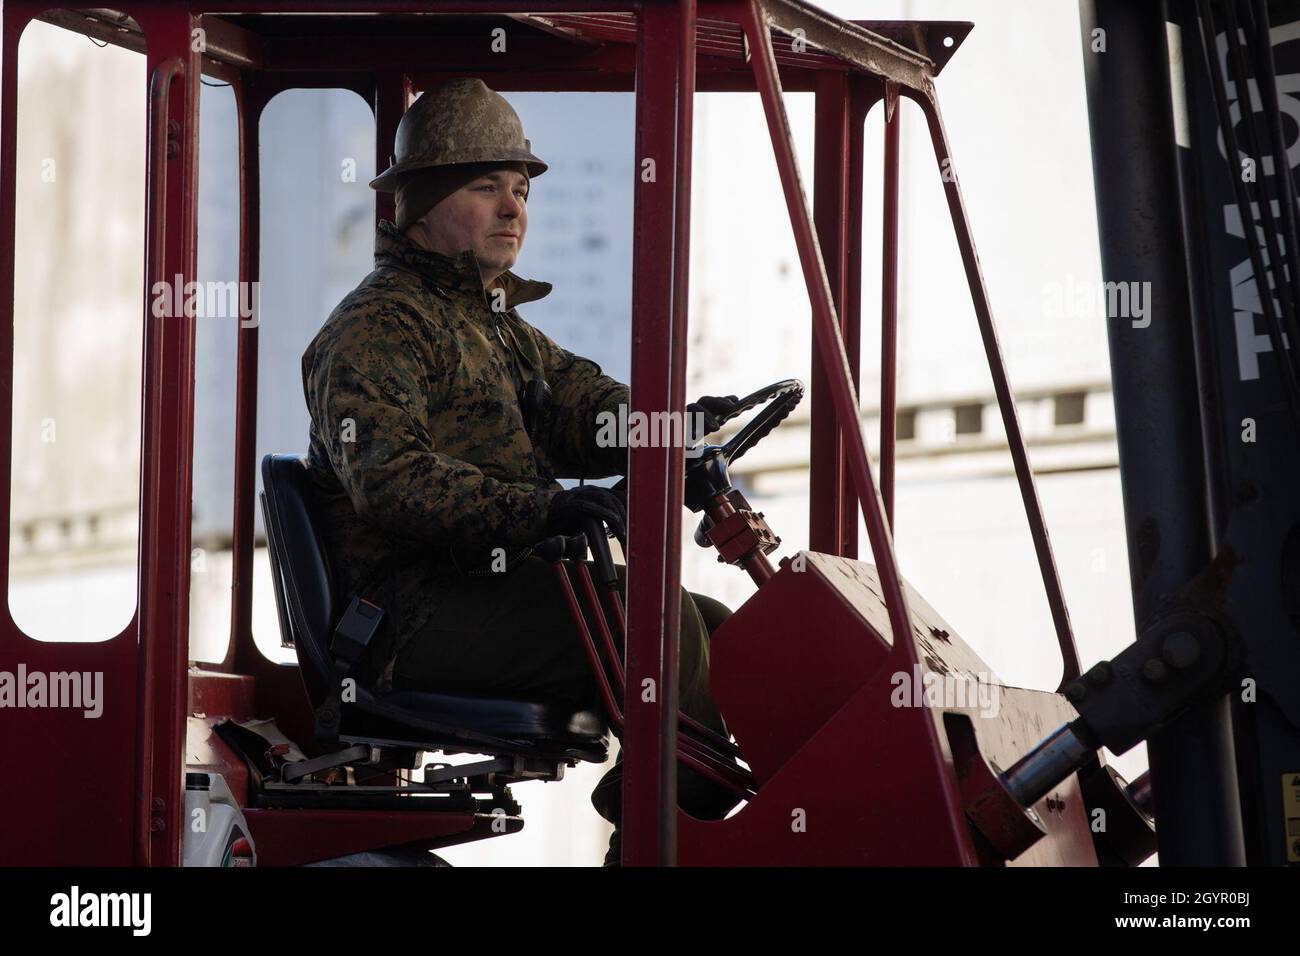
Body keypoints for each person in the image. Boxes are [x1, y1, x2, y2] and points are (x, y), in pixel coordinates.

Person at [300, 77, 743, 865]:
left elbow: (581, 404)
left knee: (725, 633)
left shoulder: (494, 324)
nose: (514, 210)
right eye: (484, 188)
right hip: (412, 614)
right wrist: (540, 513)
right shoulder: (375, 329)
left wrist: (674, 431)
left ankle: (737, 817)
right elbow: (392, 478)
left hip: (484, 589)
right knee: (654, 618)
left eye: (519, 191)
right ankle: (656, 841)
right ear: (422, 207)